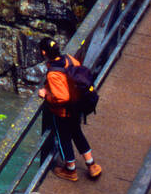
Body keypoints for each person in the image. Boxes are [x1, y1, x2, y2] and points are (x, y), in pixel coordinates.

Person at [37, 38, 102, 182]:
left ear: (44, 52)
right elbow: (77, 72)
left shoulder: (53, 73)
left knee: (64, 138)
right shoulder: (69, 59)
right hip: (77, 106)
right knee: (77, 133)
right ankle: (91, 164)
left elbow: (62, 97)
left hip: (64, 112)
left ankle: (70, 170)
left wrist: (46, 95)